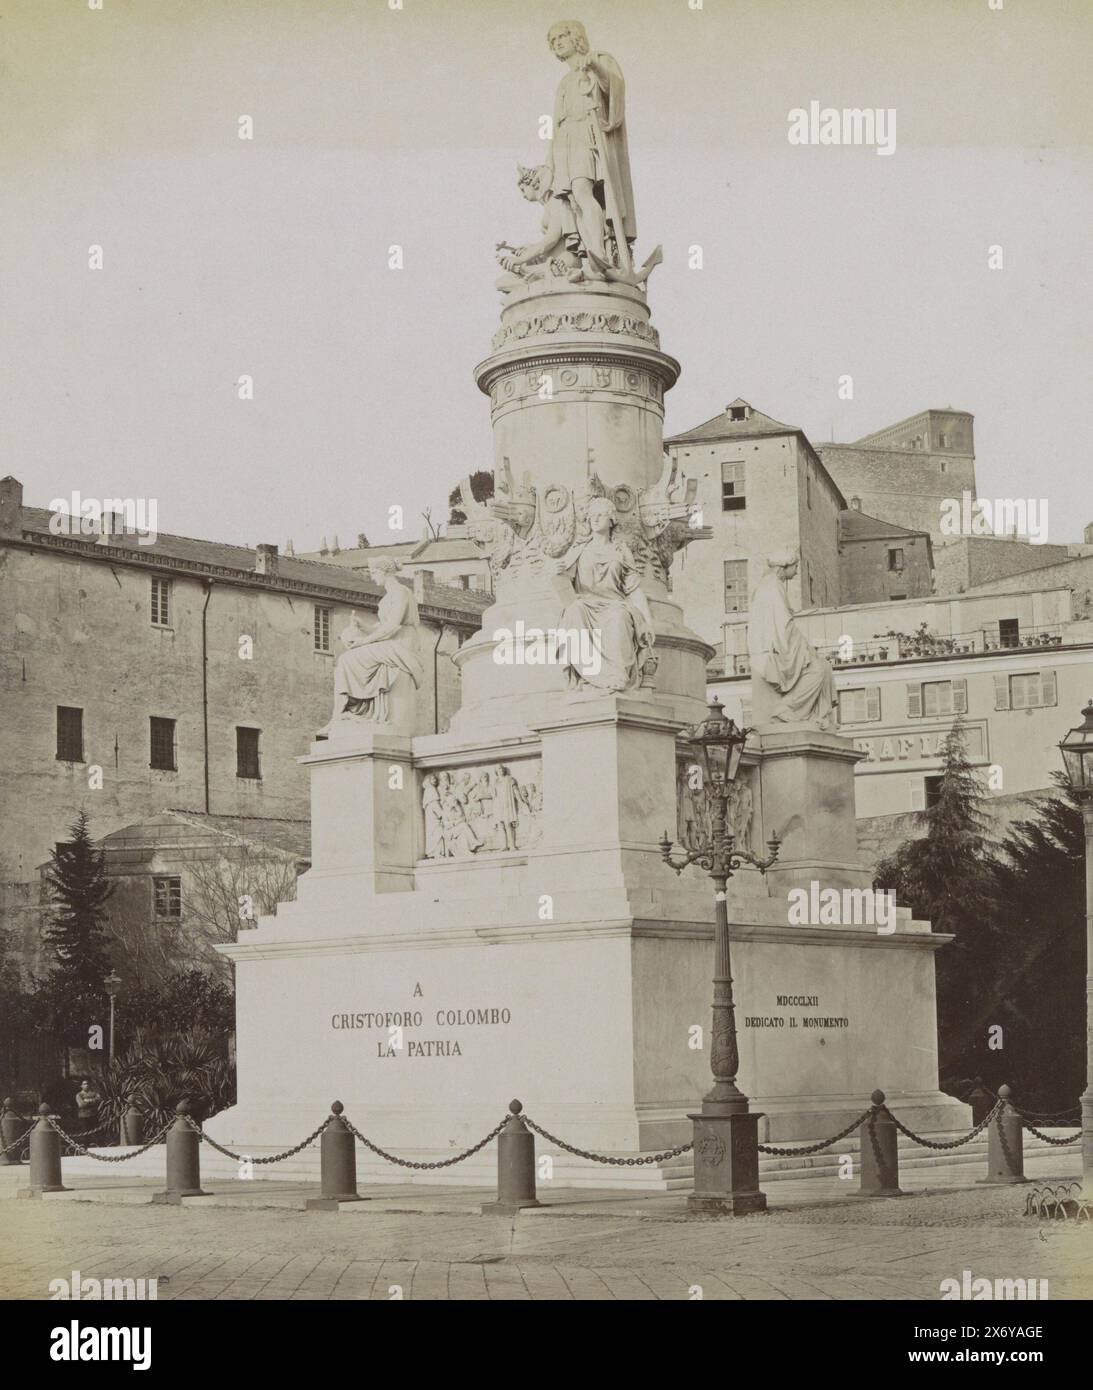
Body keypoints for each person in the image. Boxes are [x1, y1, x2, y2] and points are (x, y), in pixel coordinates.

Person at [546, 19, 636, 265]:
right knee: (574, 199)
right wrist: (549, 165)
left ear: (576, 37)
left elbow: (614, 88)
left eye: (561, 36)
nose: (557, 43)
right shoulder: (564, 83)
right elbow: (555, 126)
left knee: (583, 191)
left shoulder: (599, 60)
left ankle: (598, 250)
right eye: (553, 41)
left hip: (587, 135)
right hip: (566, 143)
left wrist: (595, 66)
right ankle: (590, 250)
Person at [556, 497, 655, 692]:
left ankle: (617, 676)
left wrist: (648, 623)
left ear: (611, 520)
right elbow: (563, 581)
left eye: (600, 514)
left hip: (614, 605)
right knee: (574, 611)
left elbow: (634, 589)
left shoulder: (620, 550)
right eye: (592, 515)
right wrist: (560, 572)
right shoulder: (579, 550)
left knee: (619, 619)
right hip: (586, 605)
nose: (594, 519)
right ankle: (590, 675)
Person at [318, 560, 424, 734]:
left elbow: (393, 626)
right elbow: (383, 626)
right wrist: (363, 627)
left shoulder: (400, 592)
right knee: (348, 659)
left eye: (374, 573)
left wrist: (363, 641)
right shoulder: (387, 598)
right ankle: (350, 713)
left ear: (384, 572)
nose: (373, 578)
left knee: (346, 659)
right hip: (390, 643)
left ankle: (340, 714)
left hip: (402, 644)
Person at [747, 550, 836, 728]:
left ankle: (818, 715)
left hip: (774, 648)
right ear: (783, 567)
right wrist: (805, 649)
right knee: (820, 668)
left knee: (822, 666)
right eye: (795, 567)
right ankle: (788, 709)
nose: (796, 572)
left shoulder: (769, 585)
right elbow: (783, 625)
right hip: (775, 653)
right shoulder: (773, 587)